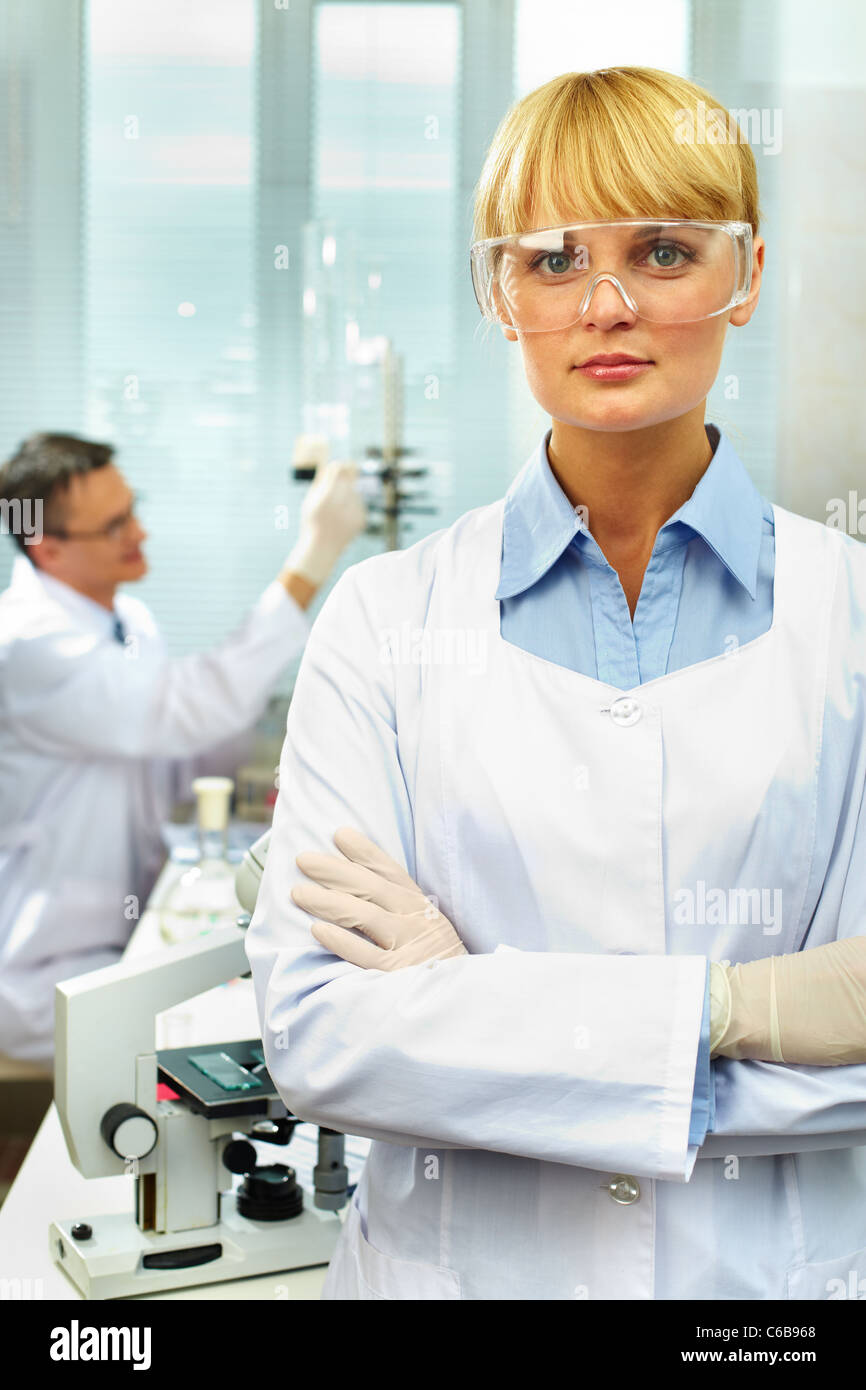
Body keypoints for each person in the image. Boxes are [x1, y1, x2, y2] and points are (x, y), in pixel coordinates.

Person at [245, 68, 866, 1300]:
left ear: (741, 278)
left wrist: (458, 1006)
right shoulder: (383, 622)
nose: (606, 303)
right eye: (548, 260)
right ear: (497, 293)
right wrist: (733, 1009)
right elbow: (318, 1037)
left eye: (662, 251)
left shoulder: (847, 615)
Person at [0, 432, 365, 1063]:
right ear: (48, 546)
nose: (138, 532)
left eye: (133, 508)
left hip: (123, 927)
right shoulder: (28, 644)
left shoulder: (130, 622)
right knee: (226, 1046)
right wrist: (312, 558)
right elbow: (188, 710)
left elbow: (184, 750)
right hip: (41, 966)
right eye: (113, 525)